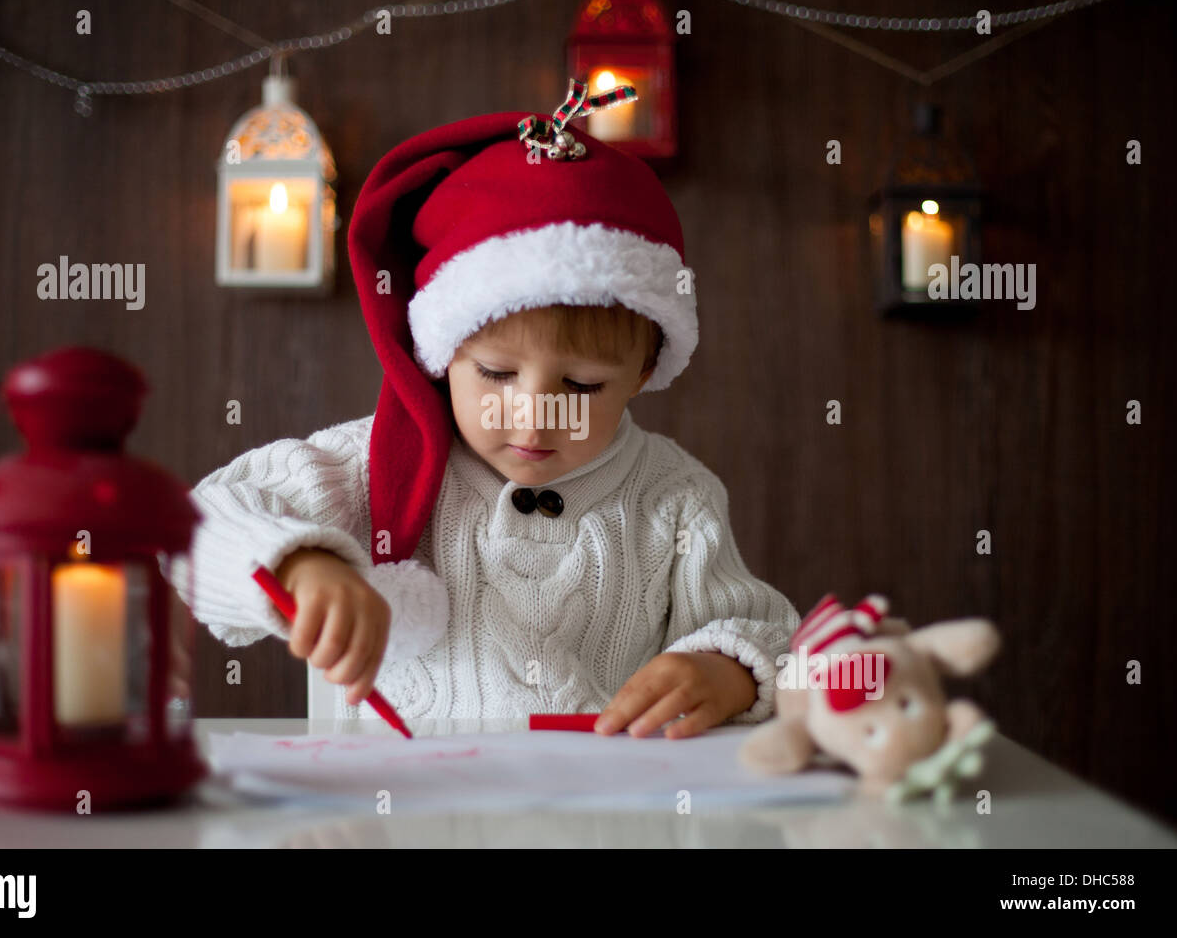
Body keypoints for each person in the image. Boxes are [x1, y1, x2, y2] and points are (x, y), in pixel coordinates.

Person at [169, 89, 799, 738]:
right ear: (440, 356)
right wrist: (300, 564)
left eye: (581, 386)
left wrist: (726, 673)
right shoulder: (367, 465)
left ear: (644, 372)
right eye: (496, 374)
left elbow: (769, 636)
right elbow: (191, 527)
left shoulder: (676, 498)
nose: (534, 420)